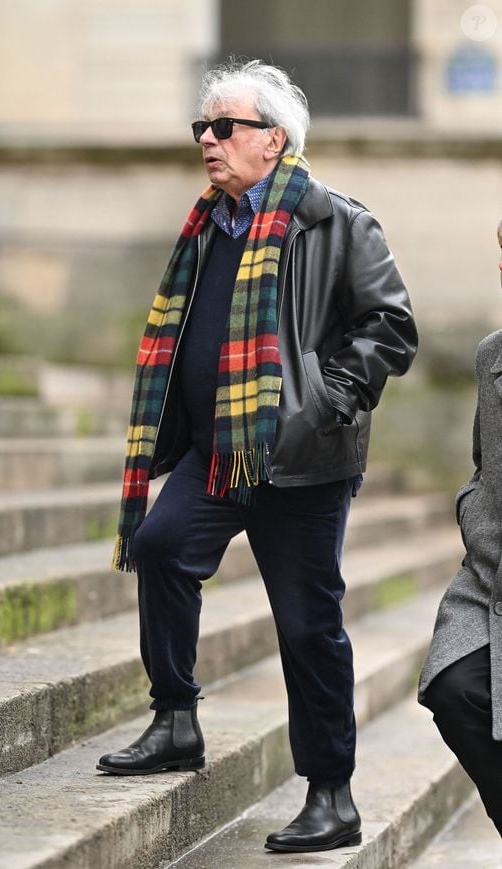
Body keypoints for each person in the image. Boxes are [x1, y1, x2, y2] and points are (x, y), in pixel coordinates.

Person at [97, 60, 417, 854]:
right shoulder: (206, 228)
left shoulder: (336, 221)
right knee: (161, 545)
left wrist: (323, 404)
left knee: (309, 626)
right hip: (218, 452)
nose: (208, 141)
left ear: (273, 140)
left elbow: (390, 327)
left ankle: (331, 794)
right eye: (202, 128)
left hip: (302, 460)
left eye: (225, 127)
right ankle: (175, 717)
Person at [418, 218, 502, 838]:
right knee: (453, 686)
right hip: (488, 575)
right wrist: (474, 512)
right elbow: (482, 458)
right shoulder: (491, 355)